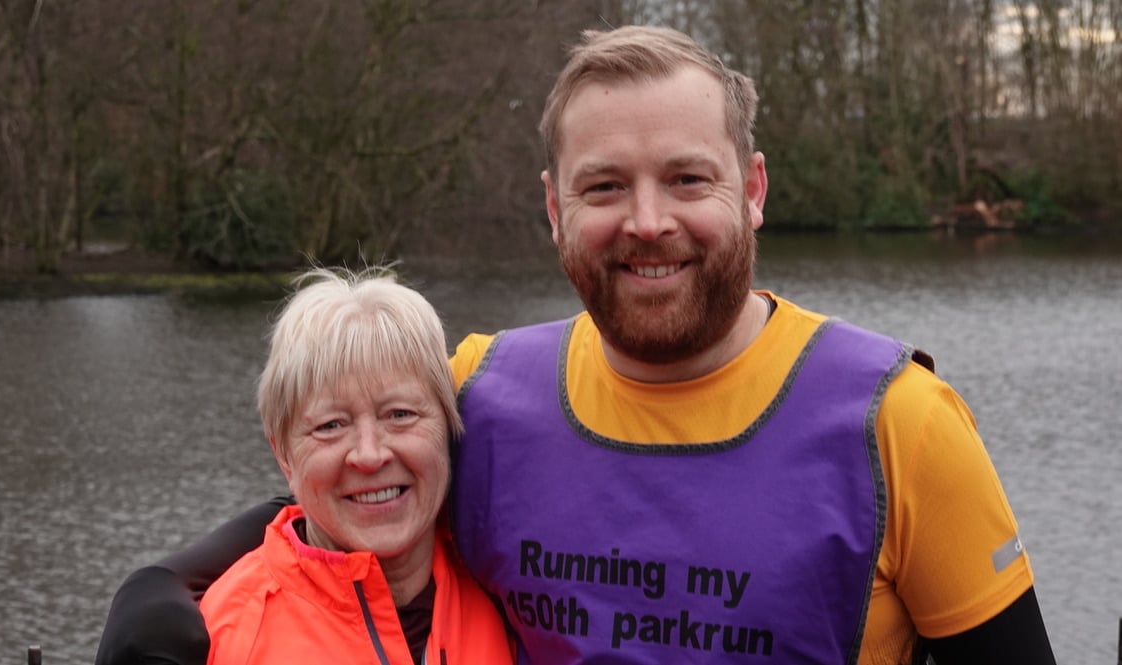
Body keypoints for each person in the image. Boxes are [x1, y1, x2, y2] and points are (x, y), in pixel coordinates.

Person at [95, 25, 1056, 665]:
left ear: (754, 189)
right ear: (555, 209)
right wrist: (162, 586)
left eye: (688, 179)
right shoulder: (485, 389)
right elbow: (348, 491)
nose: (648, 221)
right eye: (604, 187)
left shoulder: (899, 425)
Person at [141, 267, 514, 665]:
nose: (369, 455)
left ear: (449, 428)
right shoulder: (228, 639)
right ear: (284, 455)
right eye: (331, 425)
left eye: (400, 414)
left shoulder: (511, 590)